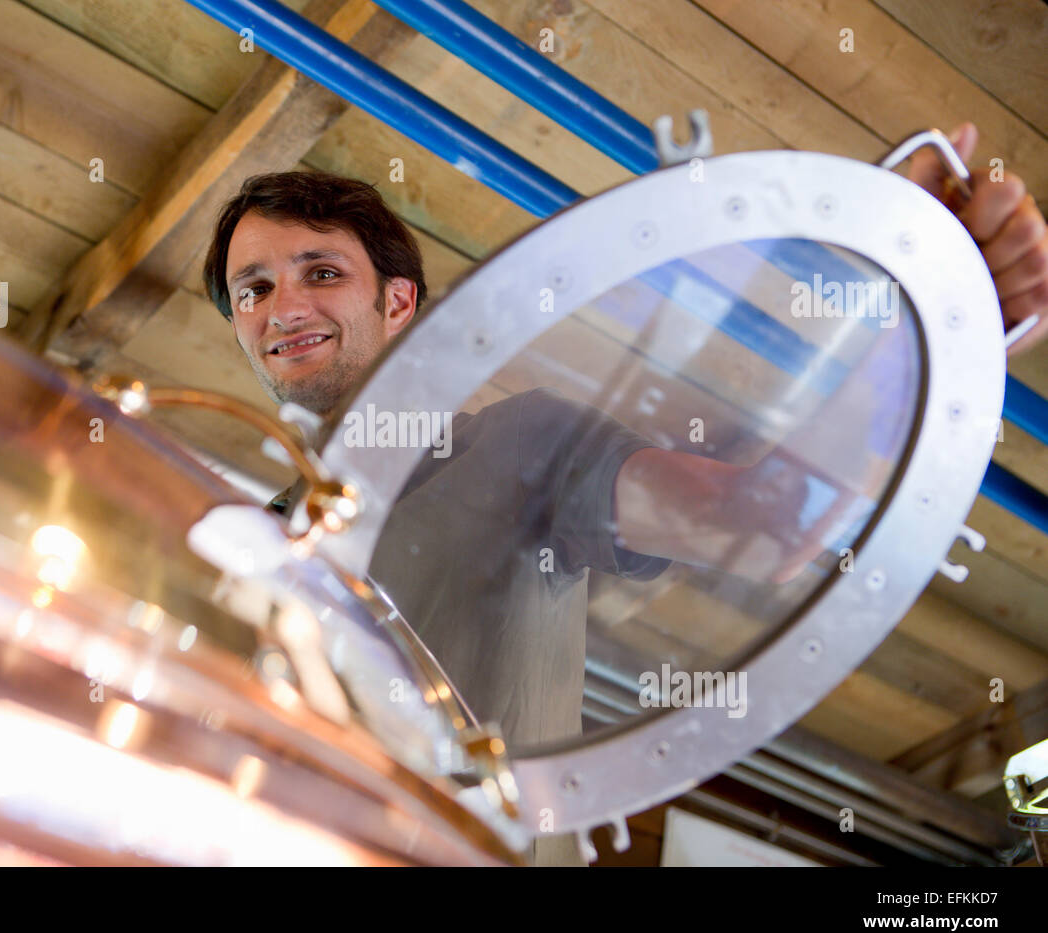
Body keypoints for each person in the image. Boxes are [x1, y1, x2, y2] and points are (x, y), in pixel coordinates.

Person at [200, 126, 1047, 862]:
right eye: (255, 289)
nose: (283, 307)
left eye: (320, 271)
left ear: (398, 301)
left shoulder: (520, 443)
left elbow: (760, 521)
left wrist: (925, 305)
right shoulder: (242, 541)